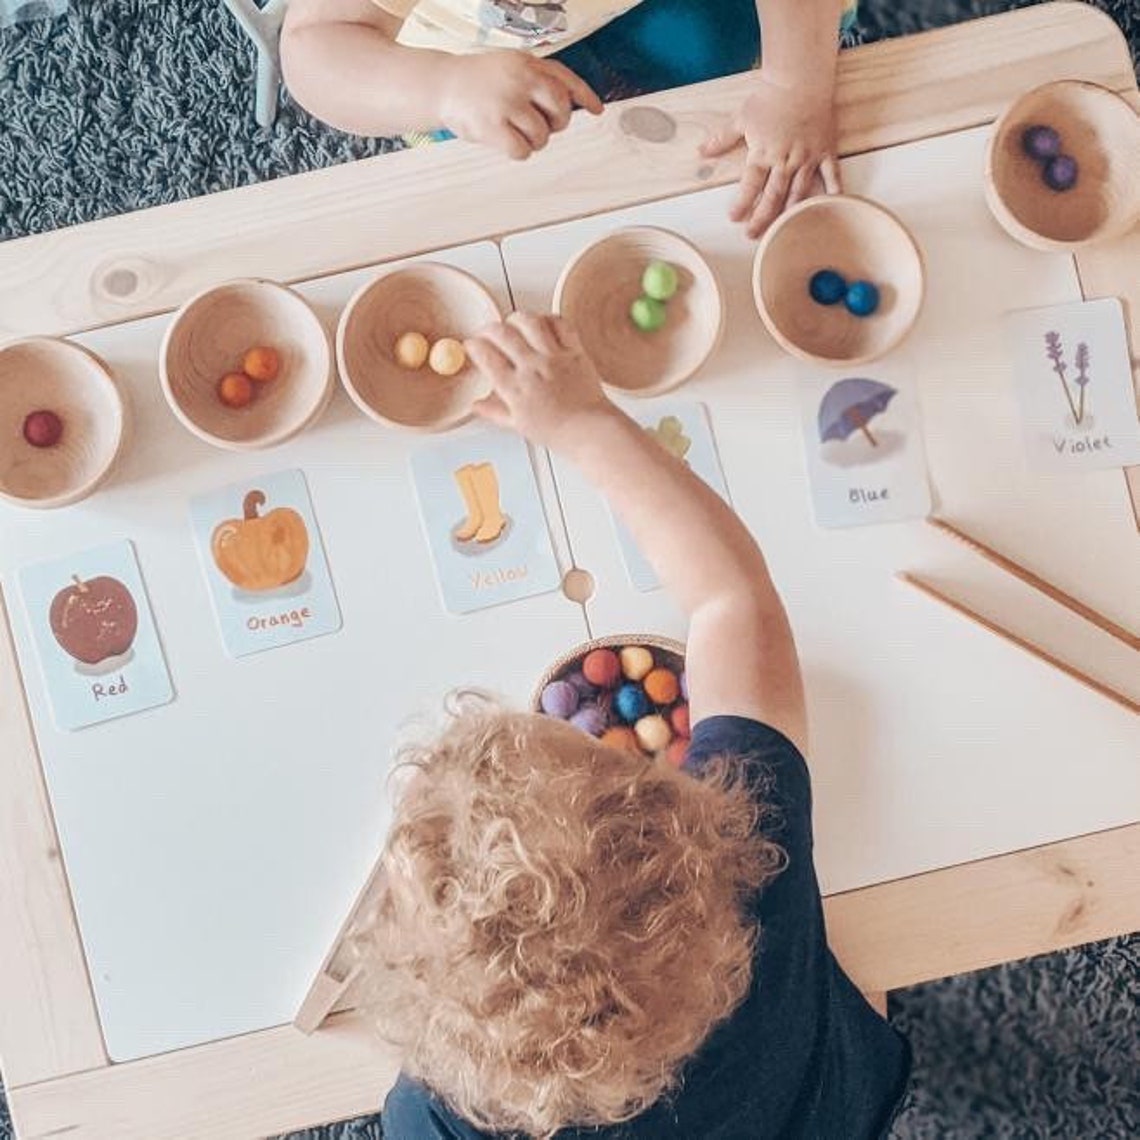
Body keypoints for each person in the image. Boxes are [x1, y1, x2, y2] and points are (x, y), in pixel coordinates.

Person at [349, 311, 911, 1139]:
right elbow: (731, 599)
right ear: (699, 833)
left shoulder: (429, 1120)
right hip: (822, 1097)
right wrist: (583, 421)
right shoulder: (755, 871)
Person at [281, 0, 857, 236]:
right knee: (503, 185)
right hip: (469, 60)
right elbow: (313, 45)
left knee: (714, 51)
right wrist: (443, 88)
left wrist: (794, 88)